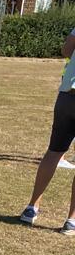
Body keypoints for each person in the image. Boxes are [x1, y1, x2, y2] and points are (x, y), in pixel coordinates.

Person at [20, 27, 75, 234]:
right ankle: (71, 220)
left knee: (53, 152)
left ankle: (31, 208)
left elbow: (67, 49)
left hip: (67, 95)